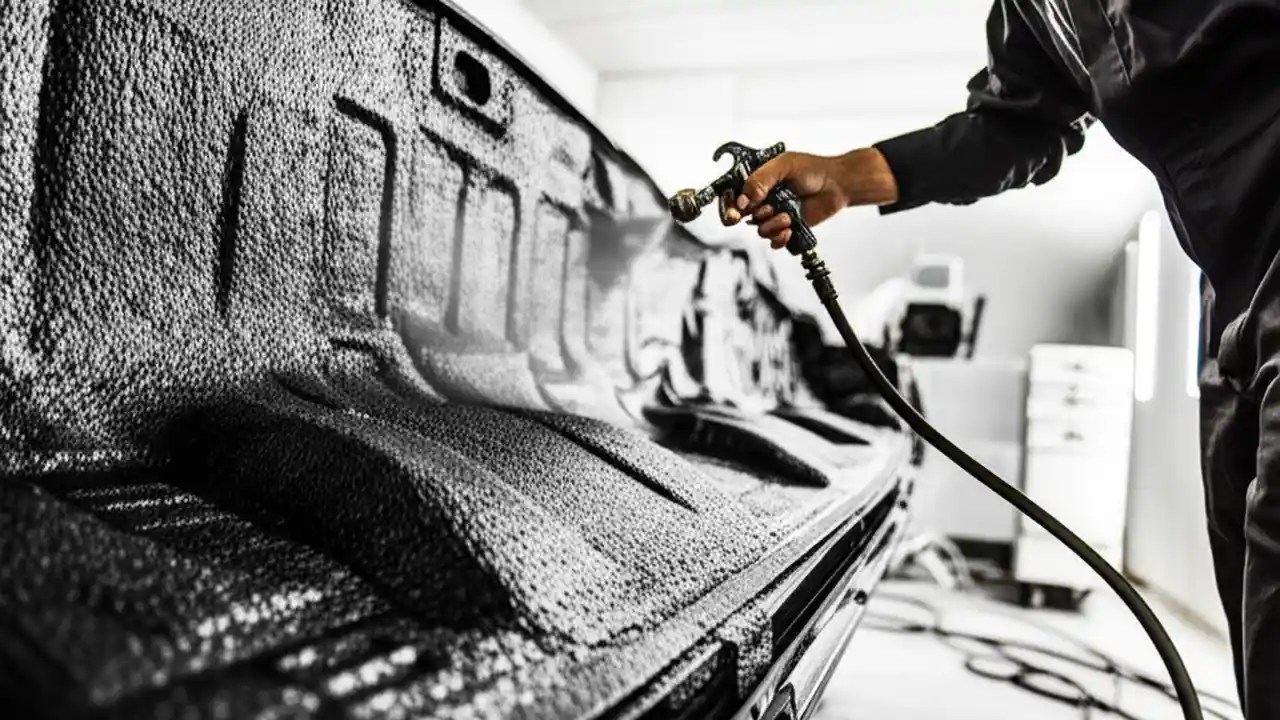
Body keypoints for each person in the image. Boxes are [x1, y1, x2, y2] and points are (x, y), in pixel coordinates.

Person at [718, 2, 1280, 716]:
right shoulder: (1041, 10)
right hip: (1231, 291)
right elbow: (1015, 125)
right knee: (1259, 619)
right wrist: (845, 176)